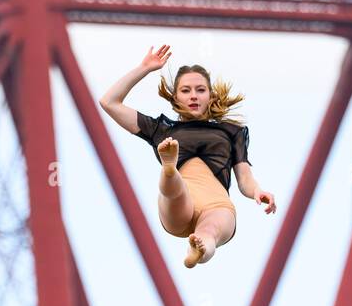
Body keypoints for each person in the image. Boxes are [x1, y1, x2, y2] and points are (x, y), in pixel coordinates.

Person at [99, 45, 276, 267]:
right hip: (180, 201)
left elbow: (244, 179)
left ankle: (198, 250)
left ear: (210, 95)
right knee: (174, 187)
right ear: (175, 97)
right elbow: (109, 102)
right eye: (186, 90)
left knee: (210, 231)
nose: (193, 96)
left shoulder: (232, 131)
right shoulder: (162, 129)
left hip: (216, 203)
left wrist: (257, 191)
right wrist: (144, 68)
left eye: (200, 90)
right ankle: (170, 168)